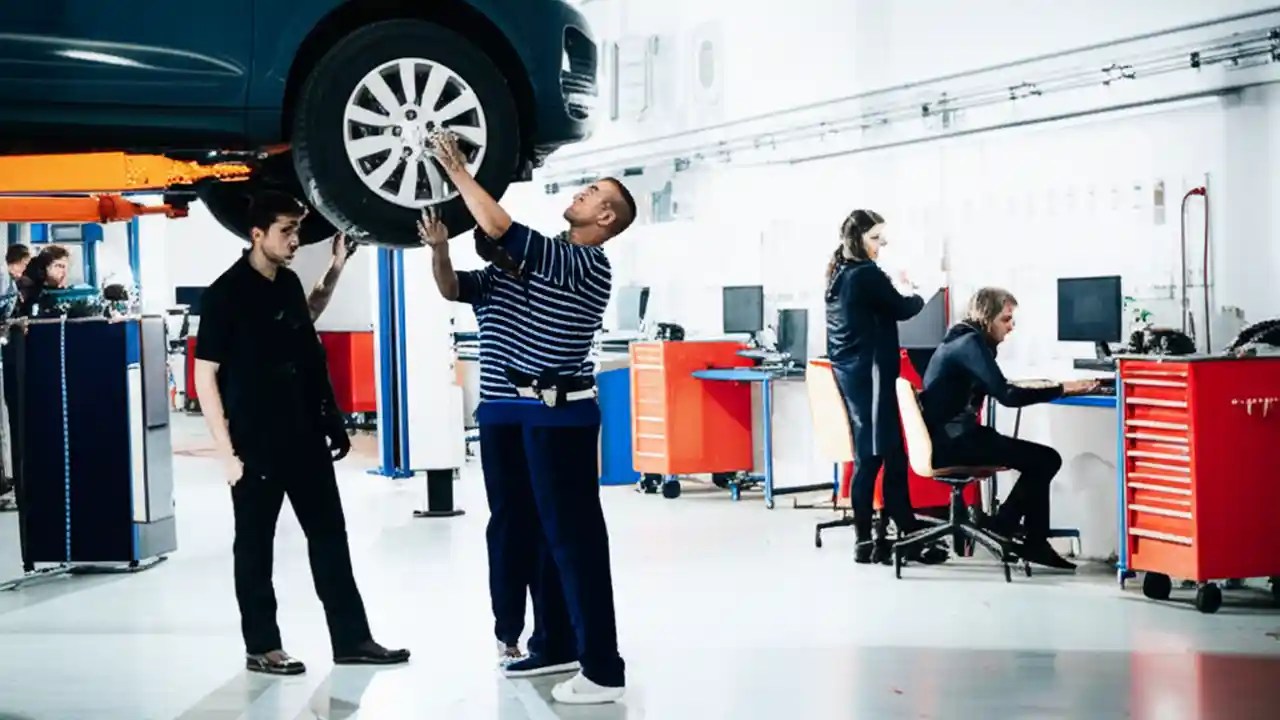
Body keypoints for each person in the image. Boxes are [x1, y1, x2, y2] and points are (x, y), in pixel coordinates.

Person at [423, 130, 634, 705]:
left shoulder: (583, 263)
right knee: (531, 535)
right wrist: (440, 248)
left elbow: (500, 228)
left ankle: (603, 670)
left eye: (592, 193)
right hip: (507, 415)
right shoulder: (523, 271)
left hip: (558, 417)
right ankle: (553, 642)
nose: (581, 194)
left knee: (574, 541)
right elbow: (453, 287)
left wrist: (459, 172)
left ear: (606, 215)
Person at [193, 190, 408, 675]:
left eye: (296, 230)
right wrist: (225, 453)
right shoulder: (225, 294)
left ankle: (353, 639)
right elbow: (205, 375)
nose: (294, 240)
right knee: (255, 545)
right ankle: (262, 646)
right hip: (255, 443)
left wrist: (336, 267)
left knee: (330, 537)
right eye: (286, 231)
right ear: (257, 234)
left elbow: (306, 315)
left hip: (304, 436)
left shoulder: (286, 282)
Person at [919, 287, 1099, 570]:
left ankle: (1013, 527)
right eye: (1006, 319)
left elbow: (997, 388)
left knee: (1040, 459)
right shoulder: (970, 344)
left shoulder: (959, 340)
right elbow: (1007, 396)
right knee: (1045, 459)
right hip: (955, 444)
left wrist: (1041, 388)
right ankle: (1013, 529)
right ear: (987, 317)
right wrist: (1061, 389)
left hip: (950, 439)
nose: (1011, 327)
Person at [824, 209, 947, 566]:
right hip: (874, 374)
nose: (883, 244)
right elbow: (903, 308)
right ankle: (891, 535)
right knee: (882, 457)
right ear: (858, 239)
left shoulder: (838, 273)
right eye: (876, 238)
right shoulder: (865, 274)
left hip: (853, 374)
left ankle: (882, 537)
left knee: (881, 456)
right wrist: (920, 291)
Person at [14, 245, 70, 317]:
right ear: (43, 268)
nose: (64, 272)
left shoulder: (68, 297)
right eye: (59, 266)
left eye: (65, 267)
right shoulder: (30, 296)